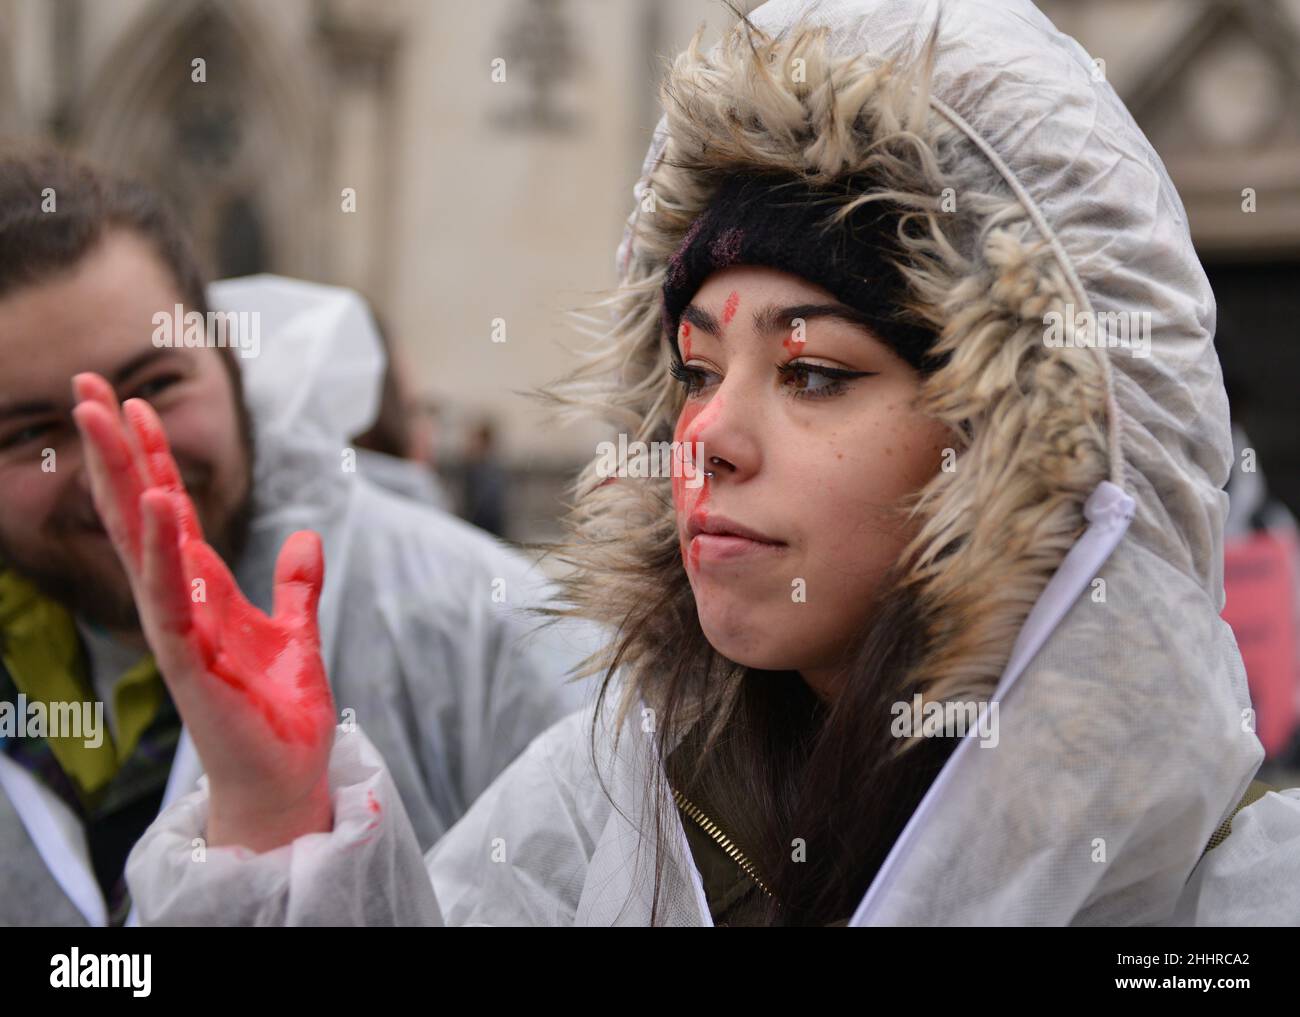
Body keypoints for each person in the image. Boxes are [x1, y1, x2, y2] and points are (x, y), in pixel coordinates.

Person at [99, 0, 1297, 925]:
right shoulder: (604, 802)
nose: (706, 436)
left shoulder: (1225, 895)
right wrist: (271, 821)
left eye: (814, 372)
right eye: (692, 368)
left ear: (1019, 447)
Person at [0, 147, 594, 926]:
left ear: (232, 364)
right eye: (34, 431)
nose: (116, 472)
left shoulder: (489, 624)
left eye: (153, 387)